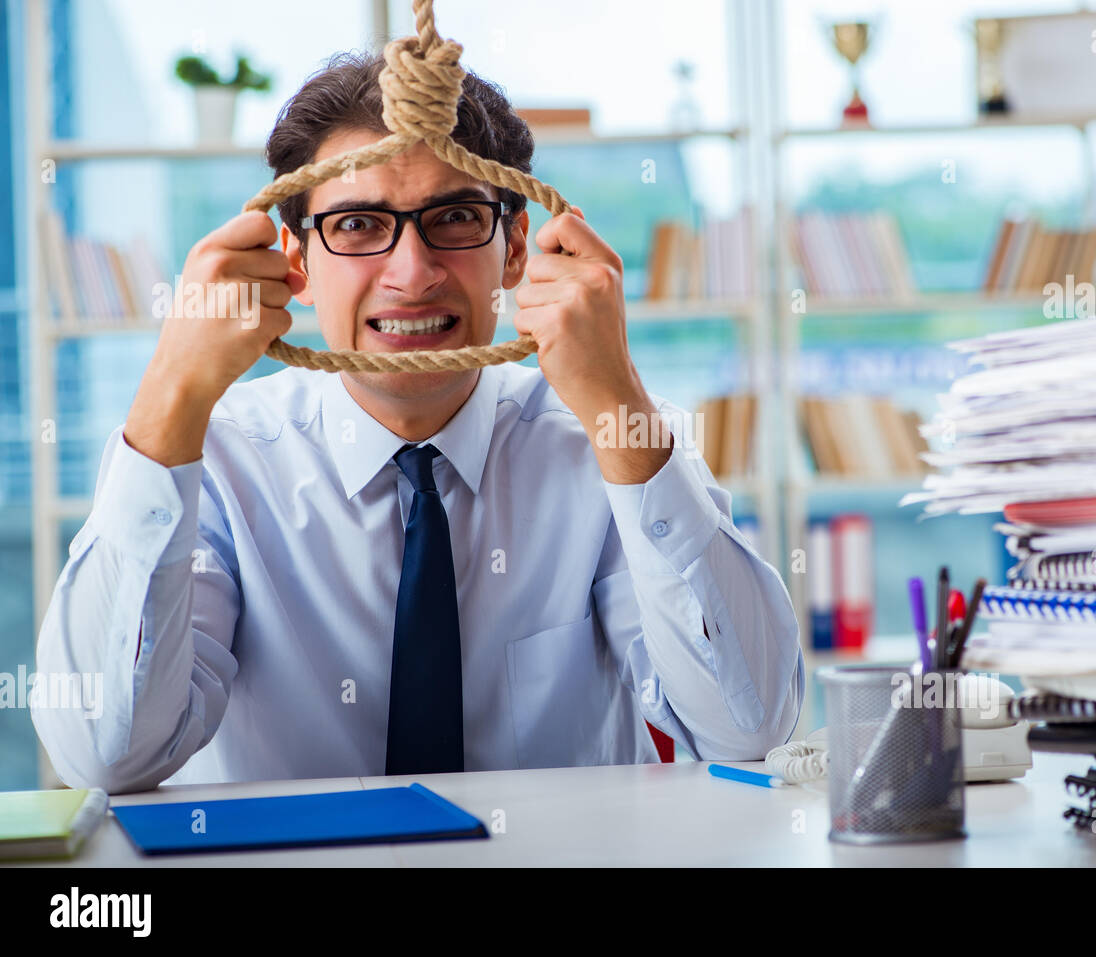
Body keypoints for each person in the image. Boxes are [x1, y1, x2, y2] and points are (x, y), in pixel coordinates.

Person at [32, 51, 803, 794]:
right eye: (360, 225)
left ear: (516, 251)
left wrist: (617, 398)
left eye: (457, 216)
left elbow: (747, 728)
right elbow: (104, 753)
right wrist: (171, 390)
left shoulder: (613, 443)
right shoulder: (219, 461)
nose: (412, 272)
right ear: (296, 263)